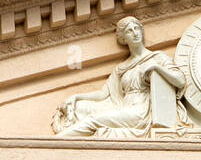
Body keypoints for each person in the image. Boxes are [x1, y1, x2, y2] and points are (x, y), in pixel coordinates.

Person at [53, 17, 187, 137]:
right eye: (129, 31)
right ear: (123, 38)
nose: (135, 33)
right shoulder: (121, 68)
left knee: (93, 119)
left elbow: (180, 81)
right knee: (81, 108)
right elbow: (102, 94)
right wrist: (77, 97)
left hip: (140, 111)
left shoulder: (157, 58)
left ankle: (56, 144)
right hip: (123, 107)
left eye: (137, 28)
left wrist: (157, 68)